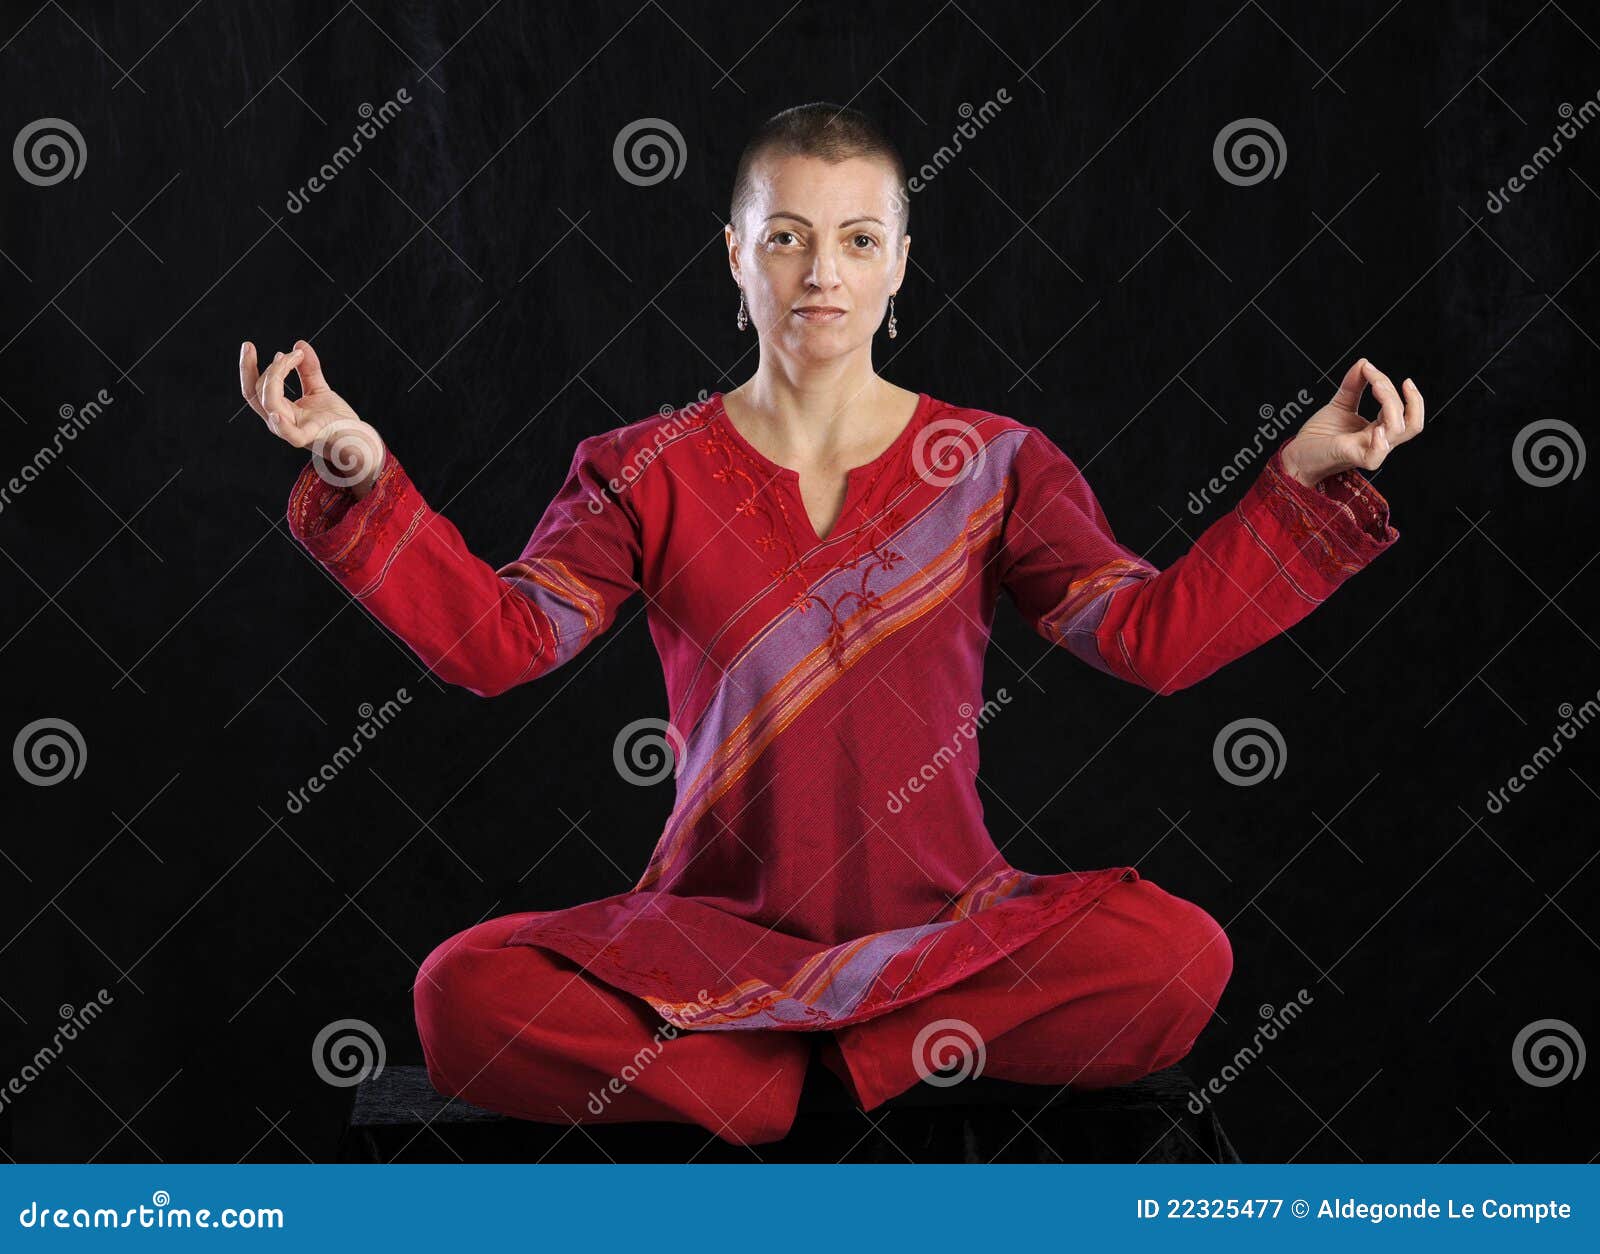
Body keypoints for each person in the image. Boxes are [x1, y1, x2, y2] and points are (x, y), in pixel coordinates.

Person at [238, 102, 1423, 1150]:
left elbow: (1149, 640)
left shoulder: (997, 465)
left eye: (858, 241)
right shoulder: (640, 469)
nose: (822, 273)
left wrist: (1297, 486)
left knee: (1179, 958)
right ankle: (828, 1065)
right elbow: (496, 644)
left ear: (900, 266)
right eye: (787, 237)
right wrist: (362, 473)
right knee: (462, 995)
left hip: (938, 929)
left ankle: (797, 1063)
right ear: (734, 259)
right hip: (711, 935)